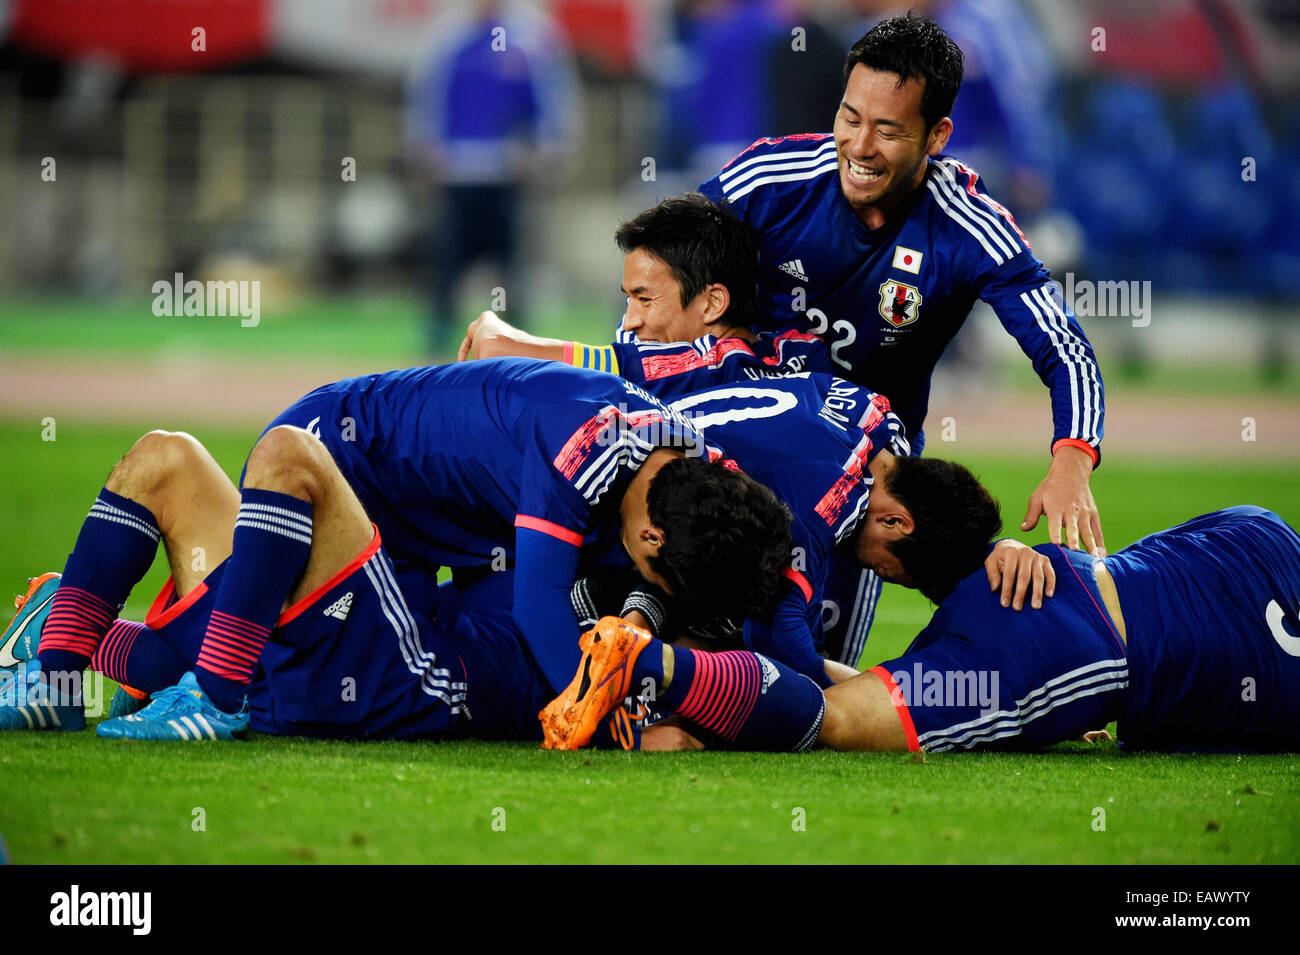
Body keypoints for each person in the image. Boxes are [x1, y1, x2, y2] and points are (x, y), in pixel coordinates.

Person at [0, 359, 794, 737]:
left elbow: (785, 692)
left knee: (165, 459)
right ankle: (187, 693)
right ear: (649, 535)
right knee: (271, 506)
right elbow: (537, 606)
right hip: (347, 474)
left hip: (405, 567)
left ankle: (69, 647)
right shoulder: (581, 456)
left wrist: (642, 648)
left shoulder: (691, 467)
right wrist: (600, 704)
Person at [697, 14, 1107, 659]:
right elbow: (665, 273)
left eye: (888, 130)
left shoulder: (970, 228)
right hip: (738, 443)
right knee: (687, 642)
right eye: (850, 118)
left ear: (937, 135)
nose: (860, 146)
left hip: (864, 481)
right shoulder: (765, 179)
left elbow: (1064, 347)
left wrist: (1071, 459)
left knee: (805, 682)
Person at [541, 507, 1300, 754]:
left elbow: (1120, 566)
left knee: (859, 695)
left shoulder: (1261, 529)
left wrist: (1021, 553)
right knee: (835, 722)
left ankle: (670, 668)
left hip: (1060, 588)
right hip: (1071, 650)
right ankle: (661, 672)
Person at [459, 193, 835, 400]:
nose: (631, 320)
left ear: (713, 303)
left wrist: (499, 333)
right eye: (629, 301)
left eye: (645, 299)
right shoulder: (806, 352)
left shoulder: (715, 367)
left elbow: (498, 348)